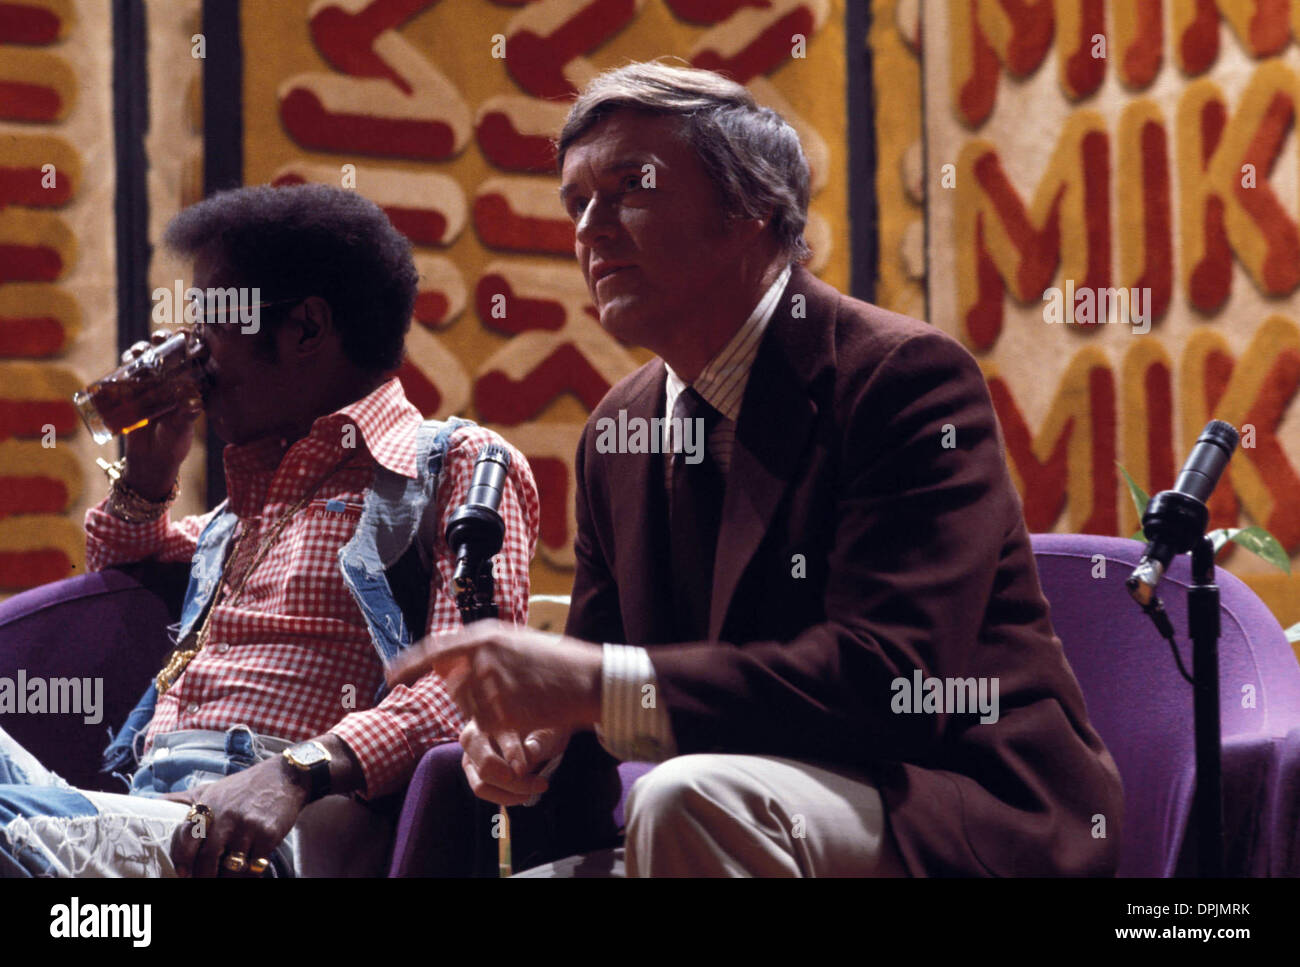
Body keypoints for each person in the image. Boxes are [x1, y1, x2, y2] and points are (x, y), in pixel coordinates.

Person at [389, 62, 1125, 877]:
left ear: (753, 209)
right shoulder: (616, 432)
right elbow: (601, 698)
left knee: (687, 798)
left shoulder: (904, 377)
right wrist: (533, 741)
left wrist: (593, 682)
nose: (589, 229)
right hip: (739, 802)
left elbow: (890, 680)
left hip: (955, 800)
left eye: (630, 186)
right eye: (576, 202)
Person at [0, 184, 539, 877]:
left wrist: (295, 770)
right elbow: (123, 577)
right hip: (144, 810)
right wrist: (148, 472)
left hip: (258, 834)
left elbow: (470, 691)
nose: (194, 358)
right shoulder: (244, 514)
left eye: (210, 328)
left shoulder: (450, 465)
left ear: (306, 328)